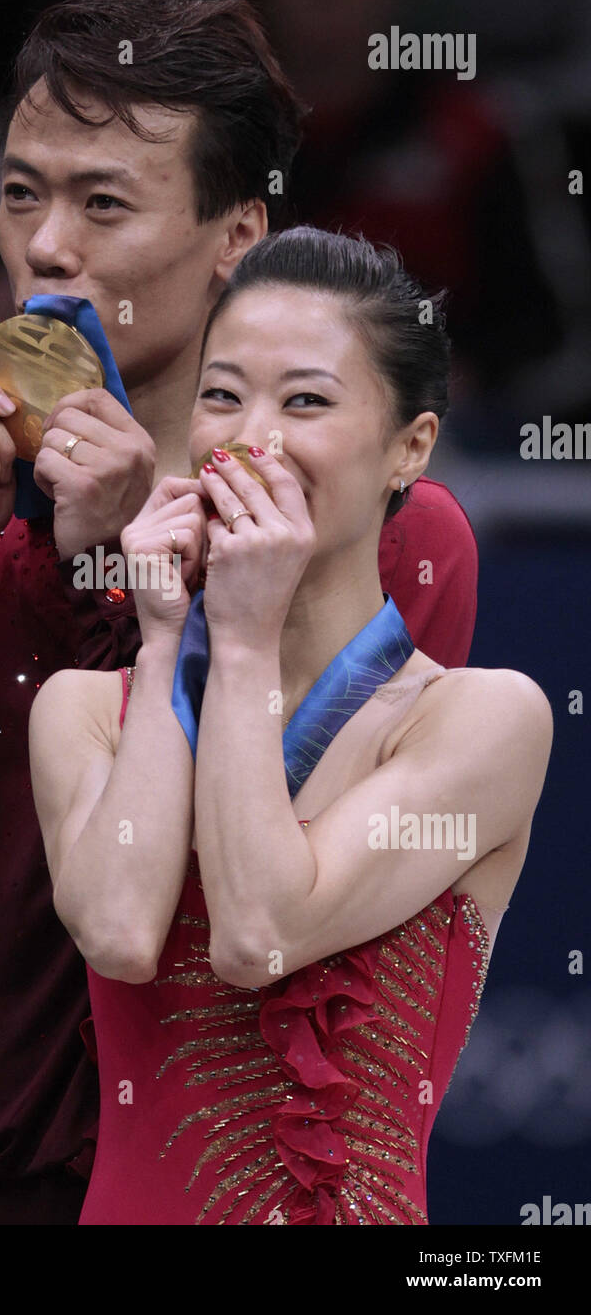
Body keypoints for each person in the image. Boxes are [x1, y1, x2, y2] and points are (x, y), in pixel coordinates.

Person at [0, 0, 477, 1226]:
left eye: (102, 201)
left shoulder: (388, 530)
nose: (46, 247)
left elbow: (268, 901)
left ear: (238, 234)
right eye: (20, 194)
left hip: (233, 1191)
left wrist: (113, 558)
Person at [29, 226, 552, 1225]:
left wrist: (241, 642)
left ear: (412, 446)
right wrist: (162, 642)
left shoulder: (478, 720)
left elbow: (261, 932)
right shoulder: (88, 710)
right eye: (221, 395)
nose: (247, 438)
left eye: (304, 400)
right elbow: (122, 927)